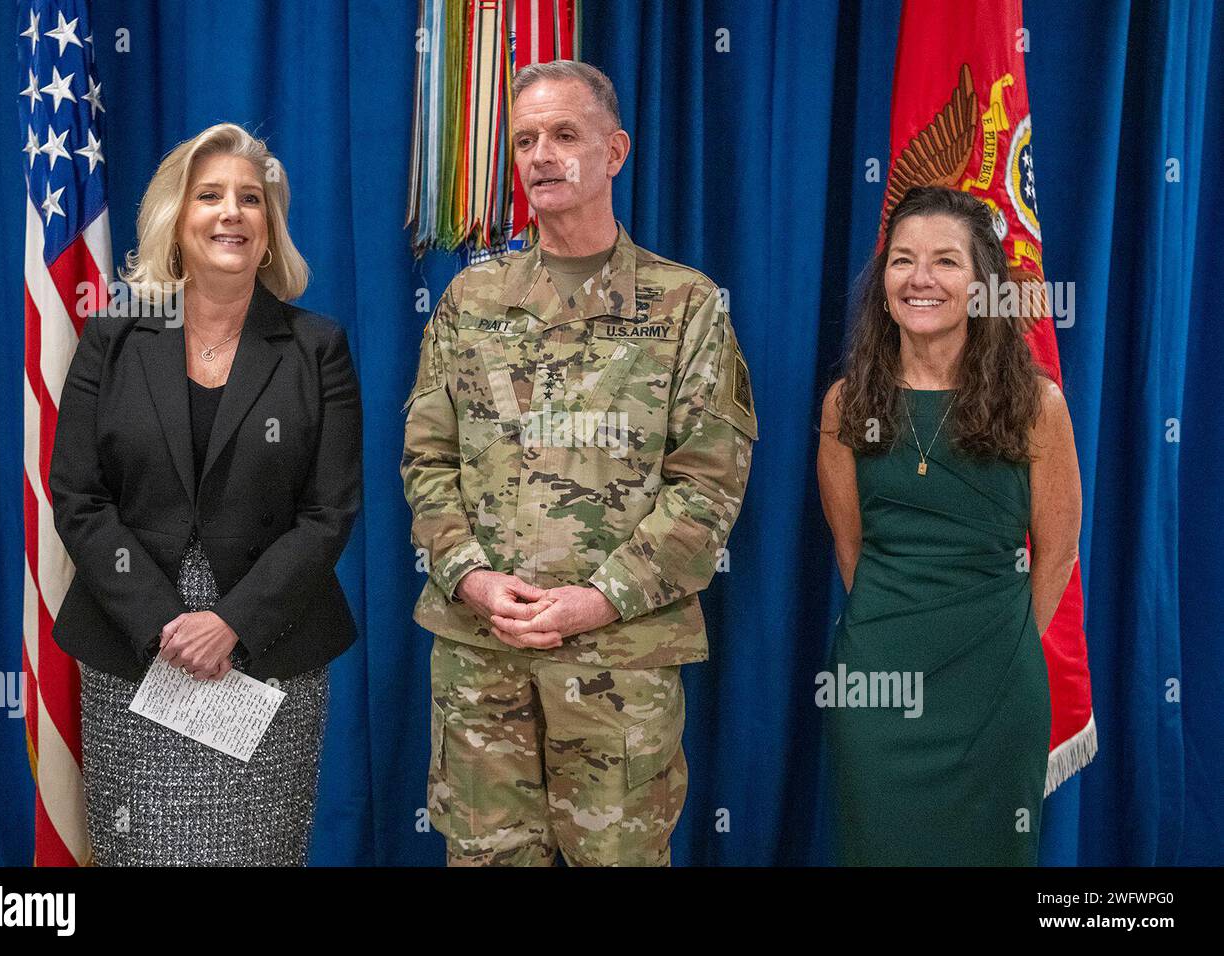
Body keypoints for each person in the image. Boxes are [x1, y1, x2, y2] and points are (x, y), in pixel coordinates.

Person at [401, 61, 758, 866]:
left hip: (618, 665)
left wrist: (599, 599)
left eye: (565, 135)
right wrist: (470, 576)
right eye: (525, 140)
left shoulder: (685, 305)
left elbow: (708, 486)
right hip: (480, 652)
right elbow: (426, 459)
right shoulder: (470, 301)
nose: (541, 155)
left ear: (615, 151)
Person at [49, 122, 362, 866]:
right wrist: (164, 622)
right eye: (211, 195)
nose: (232, 213)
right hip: (136, 646)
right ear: (176, 221)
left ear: (269, 228)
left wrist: (230, 622)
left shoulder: (317, 347)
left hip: (266, 644)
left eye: (250, 200)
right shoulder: (114, 337)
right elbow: (79, 497)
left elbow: (329, 513)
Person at [816, 185, 1081, 865]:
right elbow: (852, 548)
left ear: (982, 285)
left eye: (946, 262)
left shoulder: (1037, 404)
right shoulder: (846, 404)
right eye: (902, 261)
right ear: (882, 286)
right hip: (877, 687)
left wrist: (1000, 641)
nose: (921, 279)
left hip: (997, 690)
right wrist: (896, 629)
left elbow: (1055, 555)